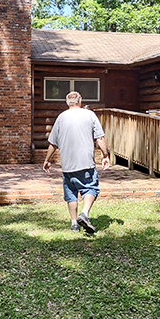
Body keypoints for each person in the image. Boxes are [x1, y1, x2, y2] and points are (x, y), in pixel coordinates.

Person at [43, 91, 110, 233]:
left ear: (67, 103)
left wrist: (47, 160)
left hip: (67, 164)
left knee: (71, 193)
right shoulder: (90, 115)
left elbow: (53, 143)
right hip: (86, 163)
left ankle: (74, 224)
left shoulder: (61, 117)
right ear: (80, 101)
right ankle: (84, 214)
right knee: (91, 188)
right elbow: (100, 138)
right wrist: (105, 155)